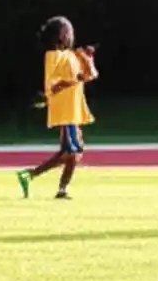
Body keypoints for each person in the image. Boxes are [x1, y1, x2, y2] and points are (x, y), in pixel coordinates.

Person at [16, 16, 99, 200]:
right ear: (60, 36)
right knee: (73, 151)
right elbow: (53, 85)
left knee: (72, 153)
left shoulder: (72, 55)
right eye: (67, 32)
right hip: (65, 110)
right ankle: (34, 175)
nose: (71, 35)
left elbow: (90, 75)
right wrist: (77, 79)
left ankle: (53, 186)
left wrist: (88, 59)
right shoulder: (53, 56)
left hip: (75, 110)